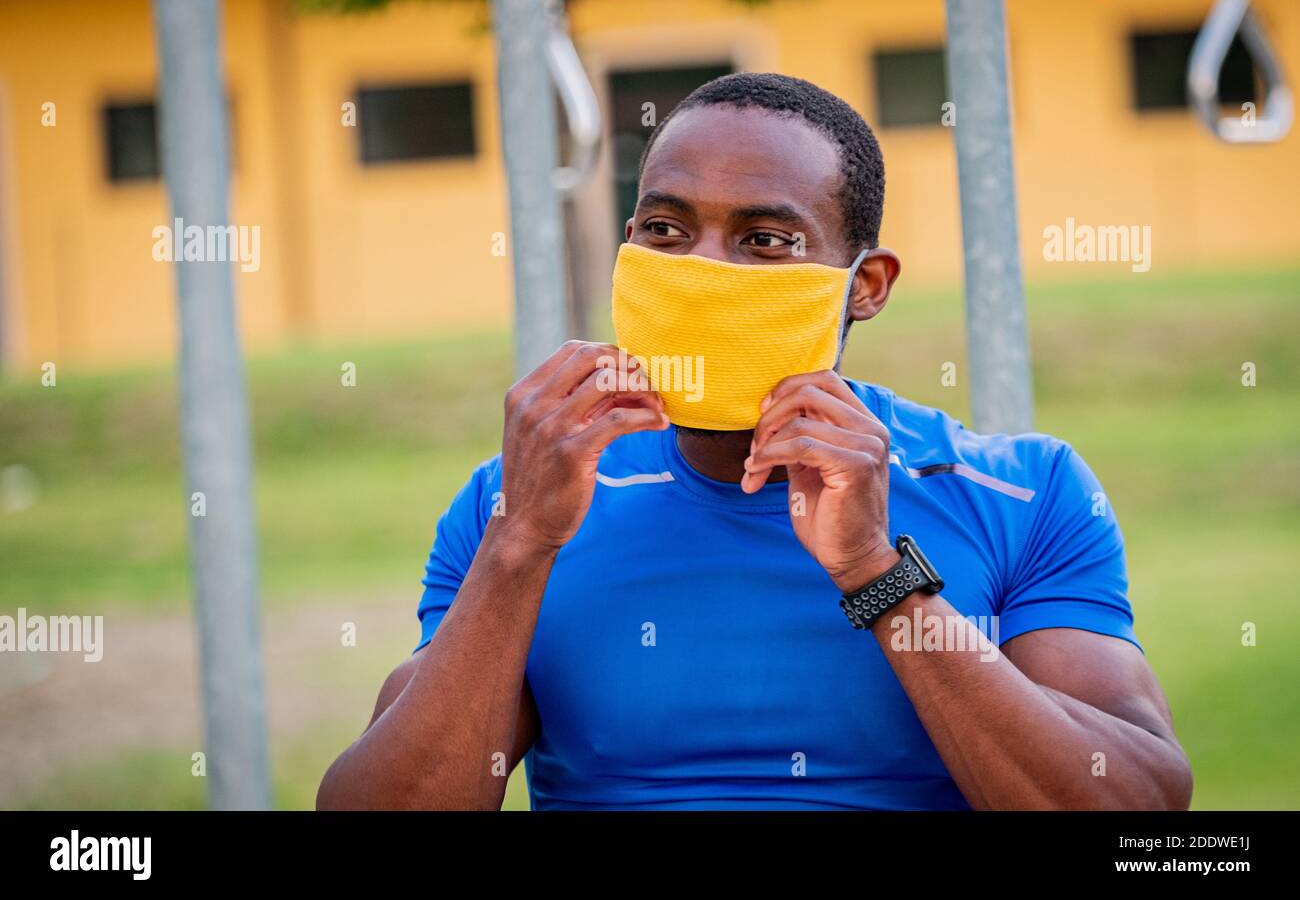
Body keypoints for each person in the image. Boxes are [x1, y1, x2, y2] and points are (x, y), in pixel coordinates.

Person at [317, 73, 1192, 810]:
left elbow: (1138, 807)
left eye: (765, 241)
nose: (703, 272)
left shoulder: (1025, 492)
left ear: (866, 286)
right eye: (665, 231)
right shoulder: (521, 499)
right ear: (630, 251)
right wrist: (519, 545)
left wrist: (878, 576)